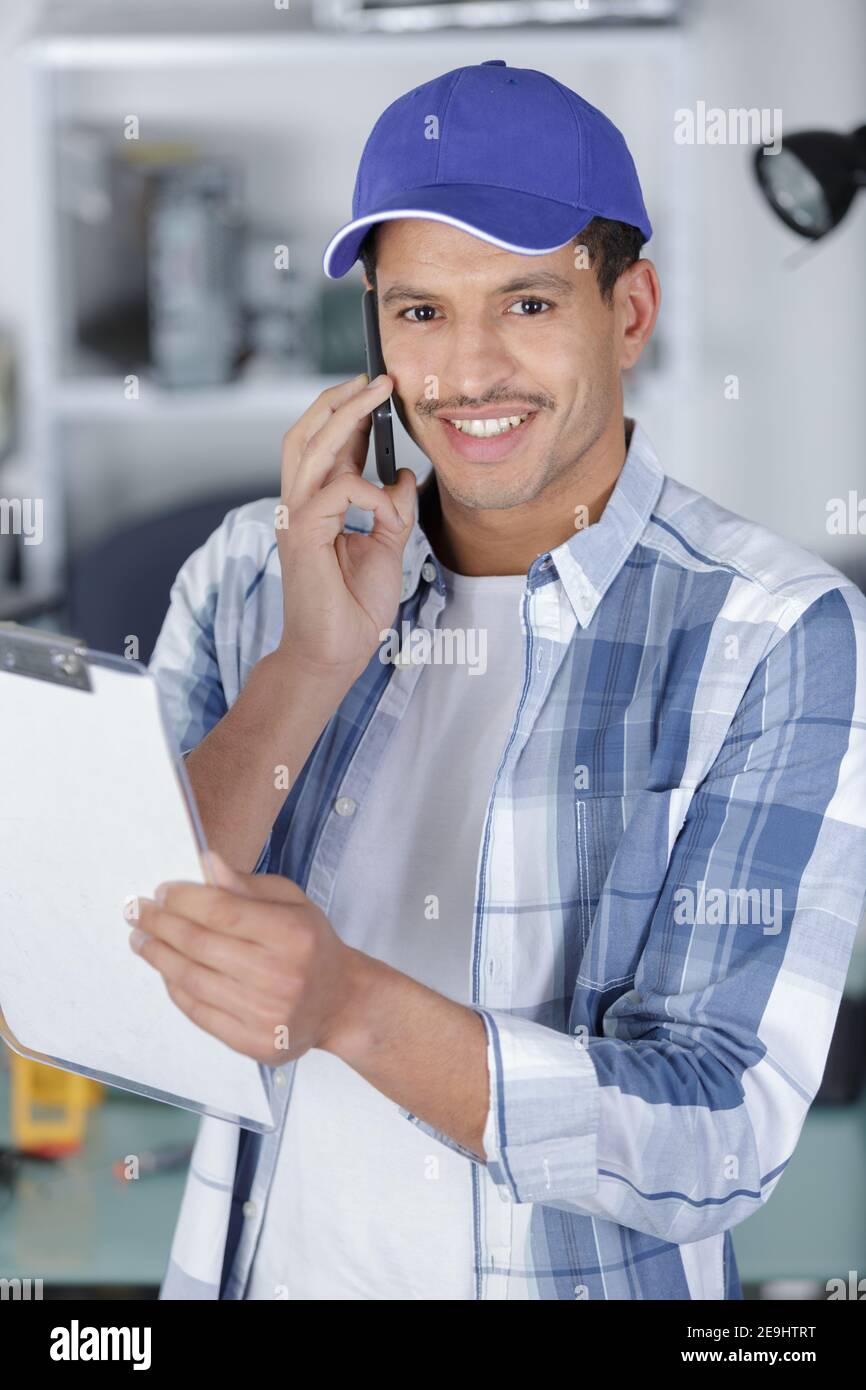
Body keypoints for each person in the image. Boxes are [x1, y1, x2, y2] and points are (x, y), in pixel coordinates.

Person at [140, 60, 866, 1300]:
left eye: (524, 304)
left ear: (628, 310)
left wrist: (347, 1003)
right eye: (418, 312)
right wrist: (311, 658)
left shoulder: (775, 633)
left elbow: (716, 1130)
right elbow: (80, 977)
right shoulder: (247, 580)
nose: (467, 372)